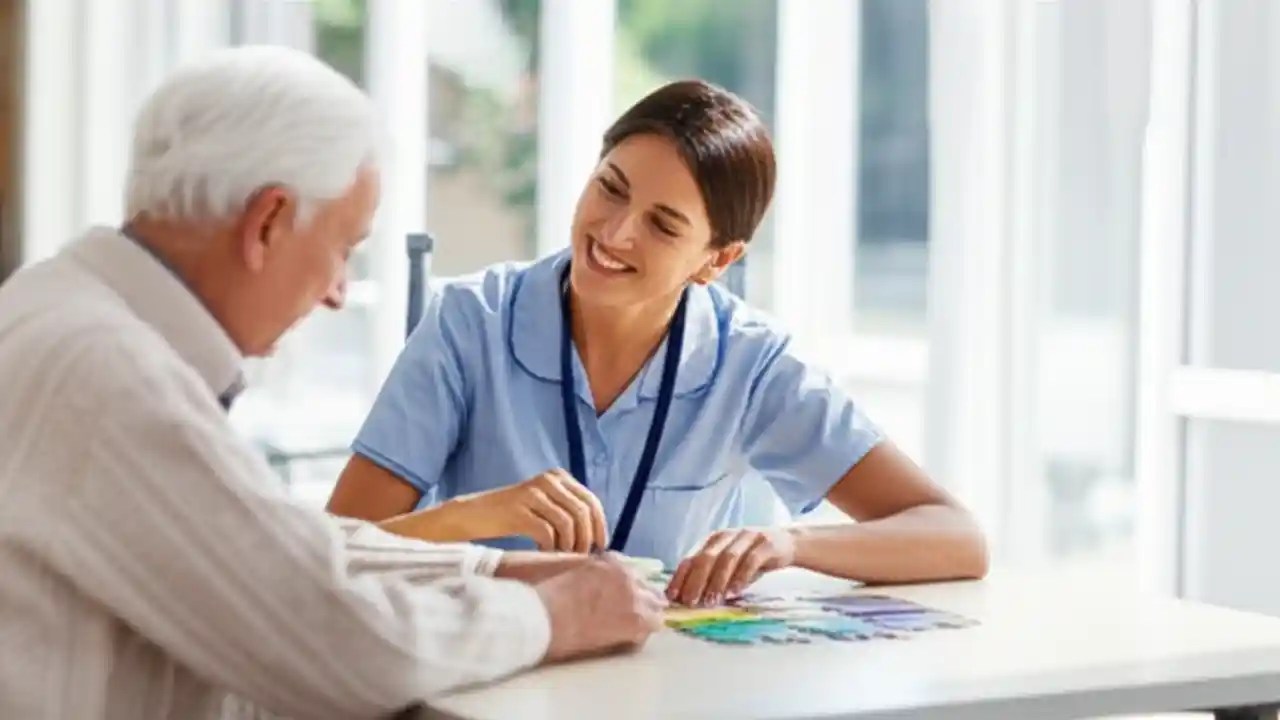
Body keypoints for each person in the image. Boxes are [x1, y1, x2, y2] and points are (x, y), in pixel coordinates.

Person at [0, 46, 665, 720]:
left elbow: (273, 546)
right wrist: (552, 615)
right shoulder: (108, 376)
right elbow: (344, 646)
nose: (340, 295)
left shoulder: (52, 307)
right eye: (344, 249)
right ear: (267, 223)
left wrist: (490, 570)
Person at [327, 79, 989, 608]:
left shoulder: (751, 362)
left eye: (663, 226)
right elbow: (333, 552)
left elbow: (955, 537)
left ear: (716, 260)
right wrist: (477, 516)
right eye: (609, 189)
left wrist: (789, 544)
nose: (613, 234)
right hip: (490, 676)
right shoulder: (468, 322)